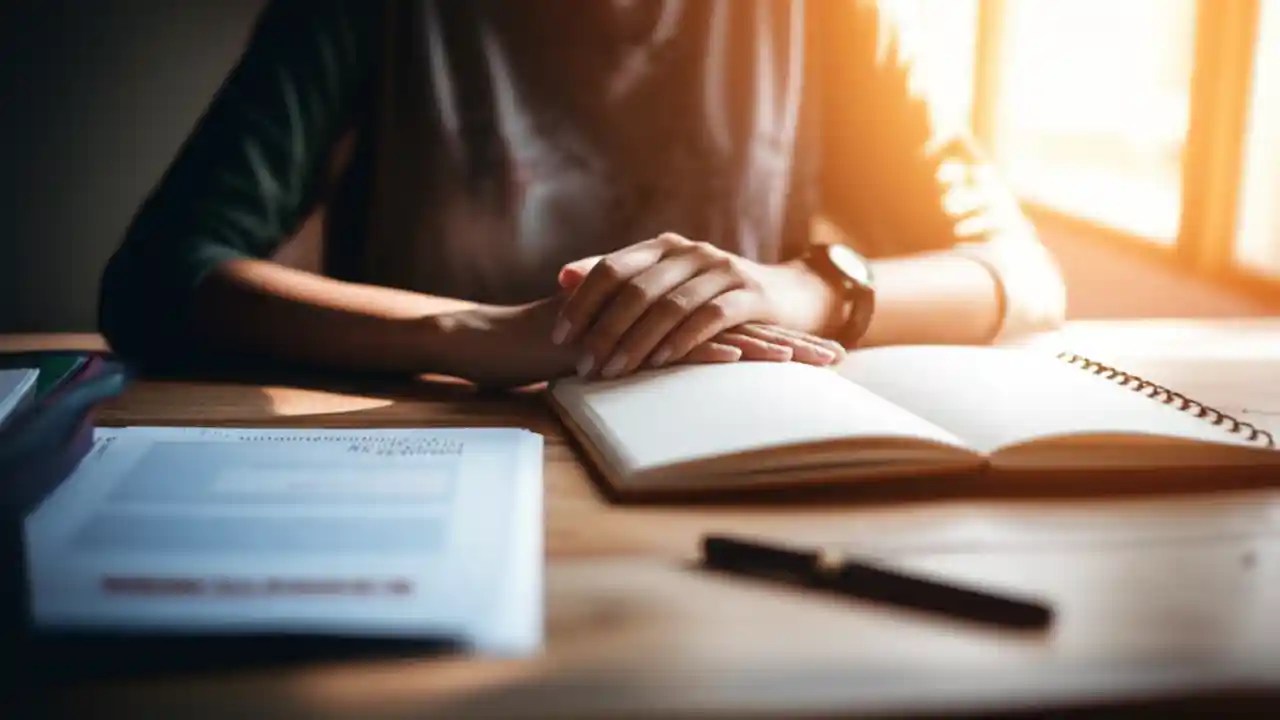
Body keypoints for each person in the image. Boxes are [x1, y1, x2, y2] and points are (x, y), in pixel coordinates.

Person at [99, 0, 1065, 388]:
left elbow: (1022, 277)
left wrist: (799, 290)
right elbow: (156, 280)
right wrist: (480, 335)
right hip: (425, 455)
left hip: (717, 476)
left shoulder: (823, 16)